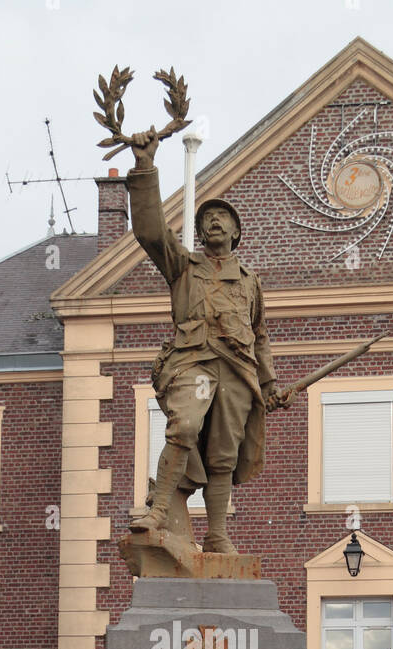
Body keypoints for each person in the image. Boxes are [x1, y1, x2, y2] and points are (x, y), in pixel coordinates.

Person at [126, 126, 291, 554]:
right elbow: (149, 231)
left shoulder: (250, 282)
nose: (214, 221)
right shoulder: (183, 266)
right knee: (183, 424)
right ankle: (159, 509)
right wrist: (146, 165)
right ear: (199, 233)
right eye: (206, 218)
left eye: (223, 217)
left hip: (236, 372)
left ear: (236, 232)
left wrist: (270, 385)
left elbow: (259, 336)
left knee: (223, 455)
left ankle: (217, 534)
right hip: (194, 362)